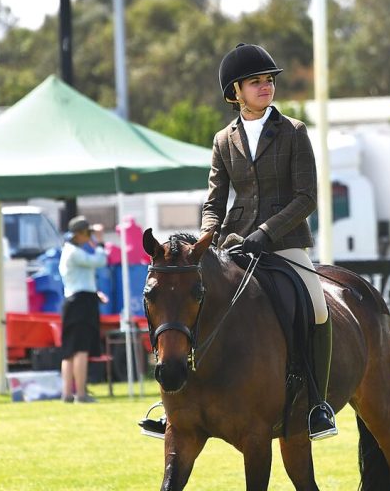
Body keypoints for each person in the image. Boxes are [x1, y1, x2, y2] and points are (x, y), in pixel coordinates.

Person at [139, 43, 337, 441]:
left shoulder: (294, 132)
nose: (266, 87)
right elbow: (214, 200)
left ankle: (316, 403)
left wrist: (267, 233)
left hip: (284, 242)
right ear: (236, 92)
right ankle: (176, 405)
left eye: (269, 81)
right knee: (190, 303)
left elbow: (307, 198)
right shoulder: (222, 140)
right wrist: (207, 238)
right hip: (233, 242)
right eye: (256, 82)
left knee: (316, 307)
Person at [59, 215, 108, 403]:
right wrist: (100, 242)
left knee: (70, 350)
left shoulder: (71, 251)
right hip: (81, 304)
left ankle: (67, 393)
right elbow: (100, 261)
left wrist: (95, 294)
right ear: (79, 234)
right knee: (80, 349)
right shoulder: (75, 252)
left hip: (76, 301)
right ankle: (80, 393)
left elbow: (82, 280)